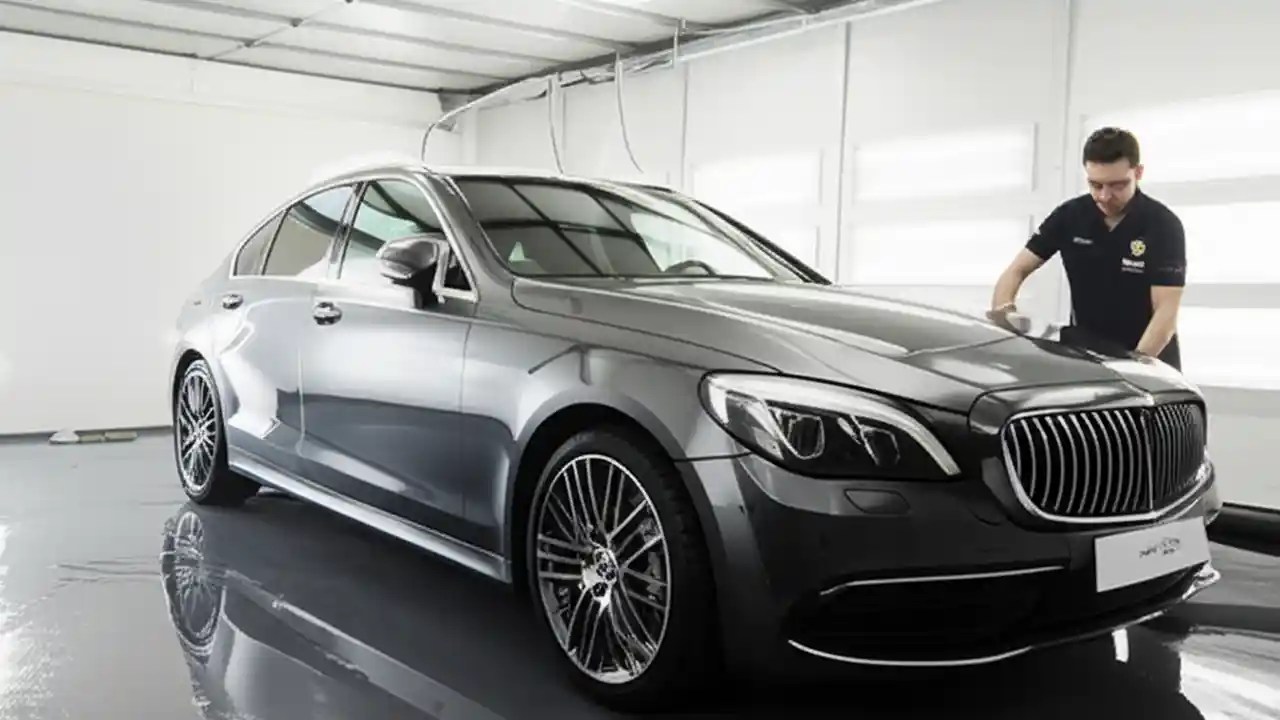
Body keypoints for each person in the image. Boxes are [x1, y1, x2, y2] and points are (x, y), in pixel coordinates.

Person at [990, 127, 1187, 369]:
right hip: (1086, 356)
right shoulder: (1069, 216)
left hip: (1149, 359)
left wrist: (1132, 369)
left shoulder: (1163, 225)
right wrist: (1005, 317)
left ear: (1138, 172)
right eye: (1096, 185)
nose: (1105, 196)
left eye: (1117, 185)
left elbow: (1165, 314)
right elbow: (1016, 271)